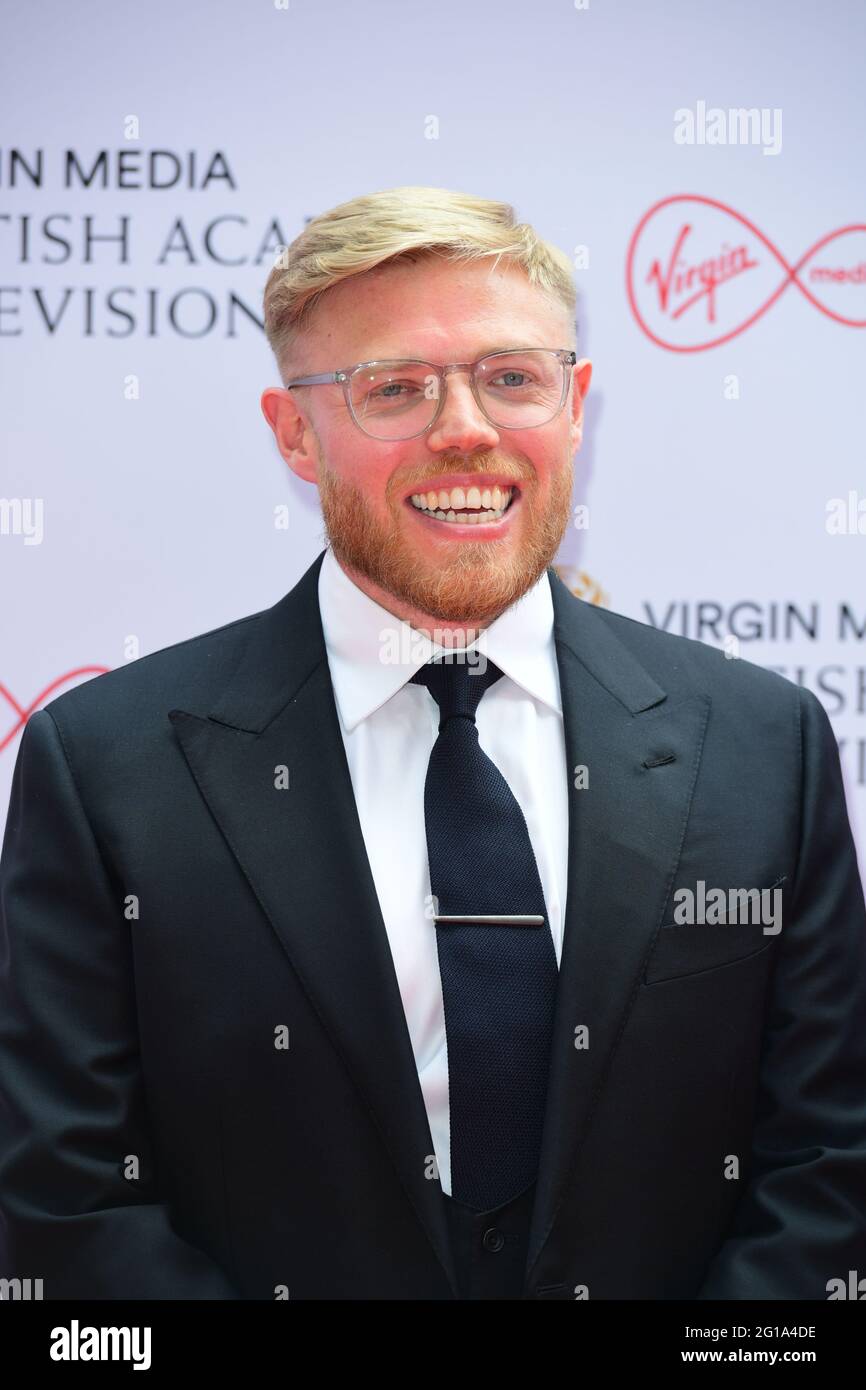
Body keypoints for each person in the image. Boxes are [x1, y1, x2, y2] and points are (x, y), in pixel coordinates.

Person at [1, 186, 865, 1301]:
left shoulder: (761, 743)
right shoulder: (107, 765)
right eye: (394, 388)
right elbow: (65, 1200)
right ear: (294, 434)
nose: (464, 427)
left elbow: (826, 1163)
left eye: (511, 377)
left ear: (574, 404)